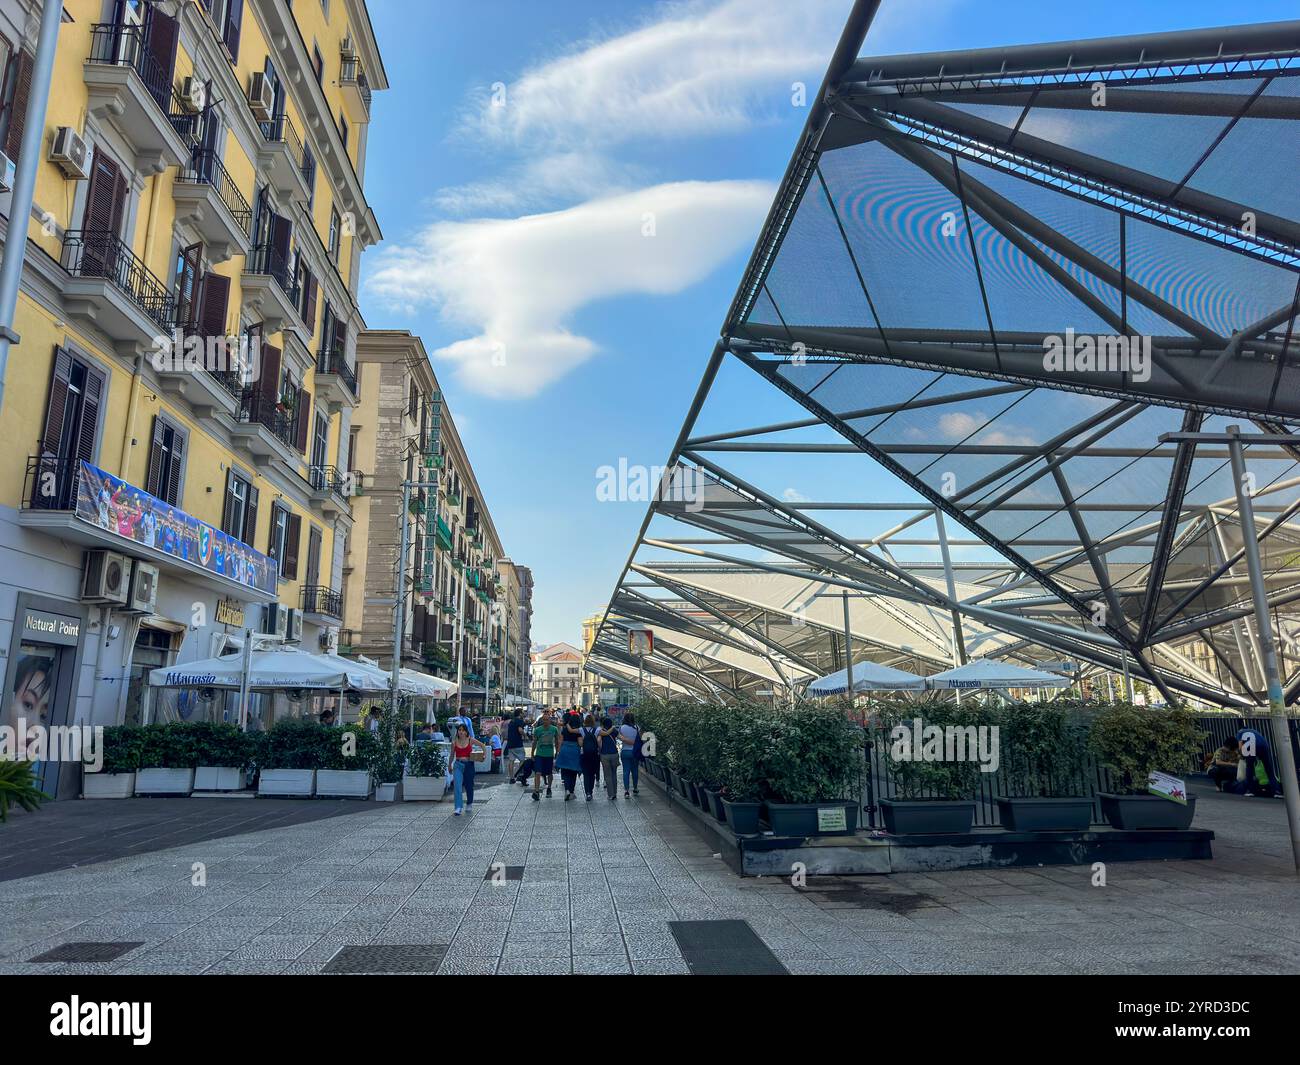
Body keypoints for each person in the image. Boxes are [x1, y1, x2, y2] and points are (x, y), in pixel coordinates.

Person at [1236, 726, 1280, 797]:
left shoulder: (1239, 732)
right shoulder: (1254, 731)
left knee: (1250, 767)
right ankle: (1277, 791)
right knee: (1269, 769)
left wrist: (1241, 755)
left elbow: (1241, 746)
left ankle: (1250, 791)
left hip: (1252, 746)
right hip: (1264, 745)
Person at [531, 709, 559, 801]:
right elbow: (534, 742)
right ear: (542, 721)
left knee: (549, 773)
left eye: (547, 720)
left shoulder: (554, 729)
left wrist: (557, 752)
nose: (546, 721)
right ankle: (536, 791)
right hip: (539, 754)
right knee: (538, 772)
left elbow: (557, 741)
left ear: (550, 720)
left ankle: (549, 788)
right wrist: (532, 753)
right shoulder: (538, 730)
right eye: (544, 720)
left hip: (549, 755)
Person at [556, 710, 583, 800]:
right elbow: (580, 743)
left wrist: (558, 751)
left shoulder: (565, 729)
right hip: (574, 751)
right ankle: (571, 792)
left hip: (565, 750)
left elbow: (560, 740)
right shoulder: (578, 730)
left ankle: (567, 790)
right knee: (573, 772)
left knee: (566, 771)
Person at [579, 713, 601, 801]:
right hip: (594, 755)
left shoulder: (581, 730)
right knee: (592, 774)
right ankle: (590, 792)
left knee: (586, 774)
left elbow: (580, 743)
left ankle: (587, 792)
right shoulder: (597, 730)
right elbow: (599, 742)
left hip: (584, 754)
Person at [619, 712, 641, 798]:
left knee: (626, 771)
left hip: (625, 751)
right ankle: (635, 788)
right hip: (635, 752)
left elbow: (620, 738)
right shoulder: (637, 727)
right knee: (635, 771)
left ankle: (626, 791)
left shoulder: (622, 727)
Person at [598, 715, 620, 801]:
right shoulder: (614, 730)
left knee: (607, 775)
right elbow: (621, 737)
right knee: (614, 774)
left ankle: (610, 795)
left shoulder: (601, 731)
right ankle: (615, 793)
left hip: (605, 755)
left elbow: (599, 741)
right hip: (614, 754)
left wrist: (601, 748)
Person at [504, 709, 527, 782]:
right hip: (518, 743)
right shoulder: (520, 721)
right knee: (522, 760)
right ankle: (519, 775)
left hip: (510, 743)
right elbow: (520, 730)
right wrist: (525, 735)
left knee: (511, 760)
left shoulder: (512, 721)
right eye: (523, 713)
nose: (524, 714)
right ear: (520, 714)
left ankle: (511, 778)